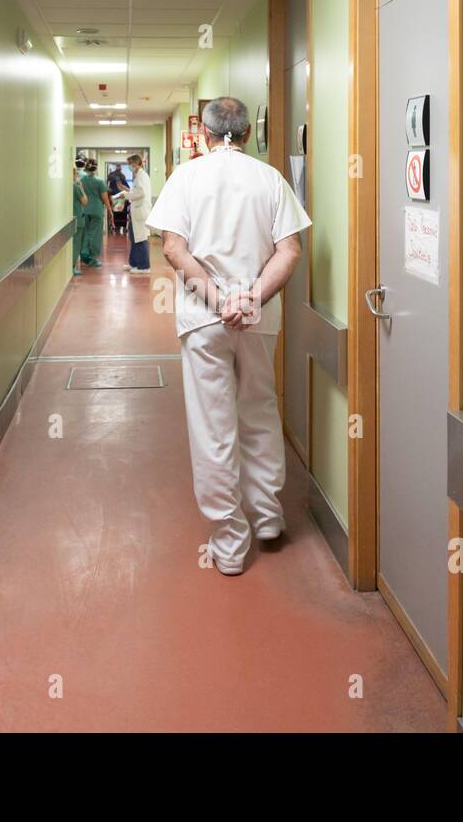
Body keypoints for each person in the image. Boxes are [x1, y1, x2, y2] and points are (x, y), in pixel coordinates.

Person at [145, 97, 311, 576]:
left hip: (204, 321)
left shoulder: (187, 177)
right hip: (259, 319)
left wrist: (219, 302)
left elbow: (174, 249)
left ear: (205, 132)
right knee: (259, 409)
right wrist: (251, 298)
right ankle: (267, 517)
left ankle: (230, 541)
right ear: (244, 133)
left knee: (213, 424)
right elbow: (290, 251)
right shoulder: (270, 179)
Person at [118, 153, 152, 274]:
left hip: (141, 212)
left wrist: (126, 195)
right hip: (137, 212)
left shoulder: (141, 175)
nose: (129, 166)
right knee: (134, 238)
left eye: (130, 164)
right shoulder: (138, 175)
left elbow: (141, 193)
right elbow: (137, 191)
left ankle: (144, 267)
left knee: (141, 239)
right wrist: (127, 190)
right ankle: (134, 263)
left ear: (137, 163)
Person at [77, 158, 112, 268]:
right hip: (97, 210)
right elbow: (105, 198)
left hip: (85, 210)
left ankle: (83, 254)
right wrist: (110, 210)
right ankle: (92, 259)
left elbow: (80, 195)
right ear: (96, 168)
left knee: (86, 232)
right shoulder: (99, 181)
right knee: (95, 235)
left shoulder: (81, 180)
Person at [72, 157, 88, 275]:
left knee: (72, 243)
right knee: (76, 244)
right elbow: (84, 201)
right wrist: (81, 186)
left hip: (71, 217)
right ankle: (72, 267)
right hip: (78, 217)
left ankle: (70, 267)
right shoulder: (76, 187)